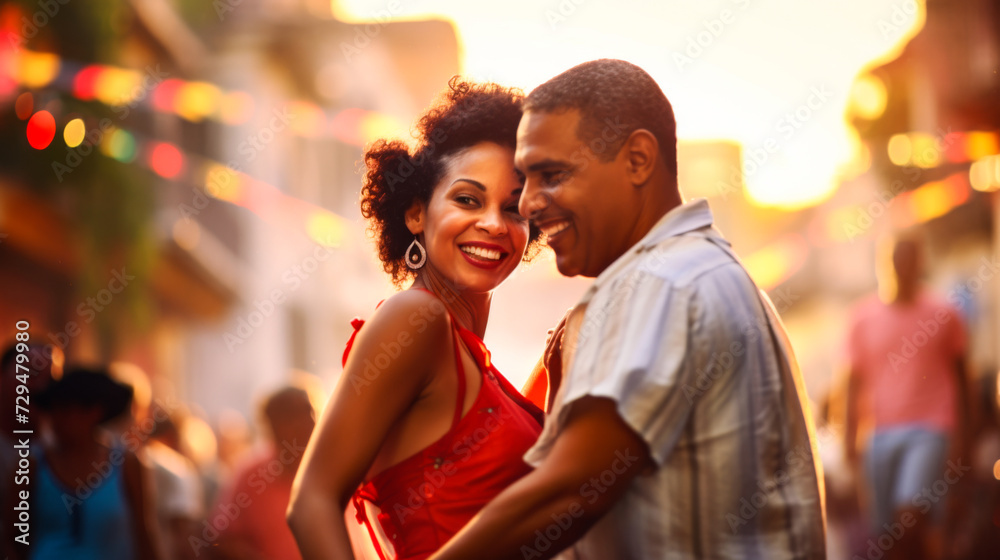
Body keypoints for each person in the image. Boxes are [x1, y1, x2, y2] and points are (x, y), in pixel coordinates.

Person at [430, 59, 826, 560]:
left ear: (638, 159)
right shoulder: (705, 271)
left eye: (551, 174)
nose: (528, 204)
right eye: (526, 180)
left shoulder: (657, 283)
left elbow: (566, 492)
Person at [287, 78, 545, 560]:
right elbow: (311, 503)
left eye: (514, 209)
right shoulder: (417, 319)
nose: (493, 223)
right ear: (415, 213)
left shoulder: (465, 347)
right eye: (468, 200)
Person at [843, 235, 972, 560]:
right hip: (879, 435)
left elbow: (963, 378)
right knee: (886, 535)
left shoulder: (945, 313)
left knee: (909, 516)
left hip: (930, 429)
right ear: (884, 265)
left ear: (919, 264)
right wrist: (848, 436)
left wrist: (966, 437)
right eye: (896, 261)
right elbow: (852, 383)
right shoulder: (861, 319)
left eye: (909, 260)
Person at [27, 366, 164, 560]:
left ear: (94, 412)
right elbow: (14, 537)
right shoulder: (33, 466)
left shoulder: (126, 464)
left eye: (66, 410)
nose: (56, 419)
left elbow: (144, 531)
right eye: (53, 410)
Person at [208, 386, 315, 560]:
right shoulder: (250, 476)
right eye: (291, 416)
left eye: (308, 412)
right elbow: (224, 539)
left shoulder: (330, 467)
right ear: (272, 426)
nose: (306, 423)